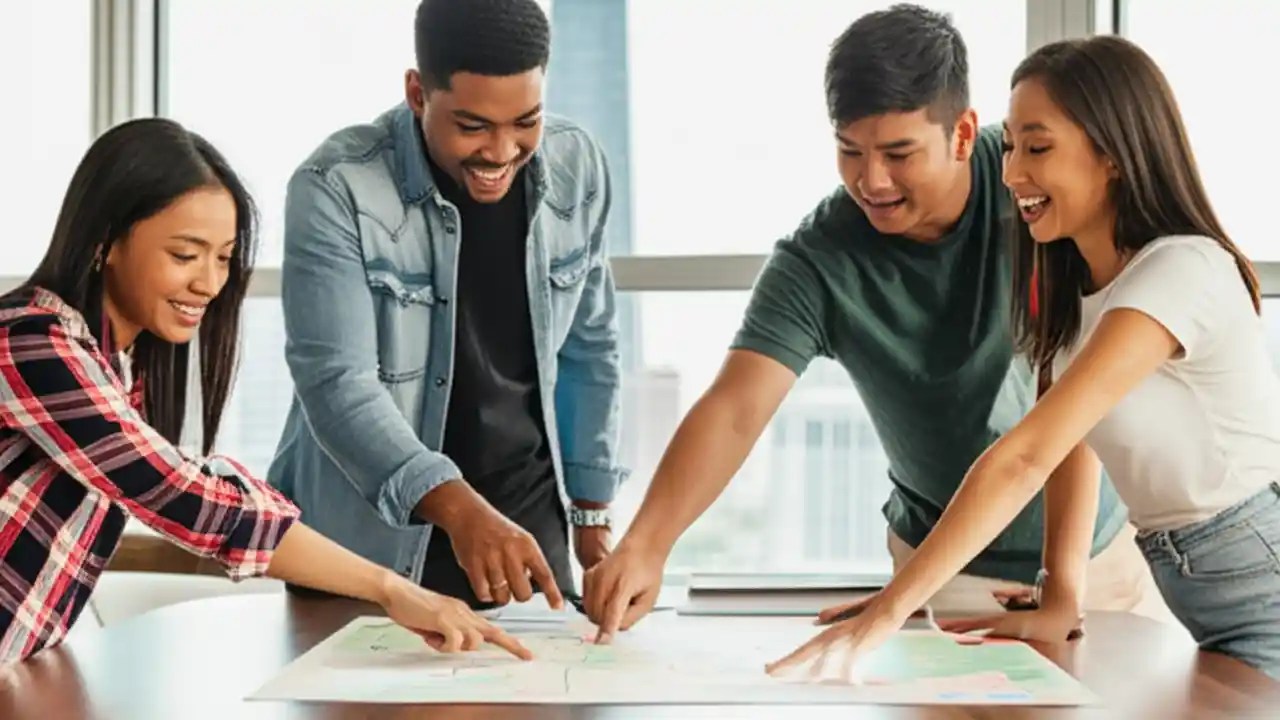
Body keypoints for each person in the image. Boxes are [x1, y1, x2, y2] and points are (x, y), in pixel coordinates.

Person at [582, 4, 1156, 642]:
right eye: (849, 150)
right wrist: (646, 544)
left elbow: (1076, 402)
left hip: (1094, 559)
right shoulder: (819, 258)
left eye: (898, 153)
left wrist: (1063, 581)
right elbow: (735, 407)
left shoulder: (1031, 186)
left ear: (963, 134)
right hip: (939, 571)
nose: (870, 180)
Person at [765, 34, 1280, 683]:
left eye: (1037, 148)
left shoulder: (1179, 271)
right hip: (1210, 589)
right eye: (1010, 147)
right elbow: (1072, 444)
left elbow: (1025, 455)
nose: (1009, 174)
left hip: (1263, 577)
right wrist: (1060, 593)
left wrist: (890, 611)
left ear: (1114, 155)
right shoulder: (1085, 294)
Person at [0, 117, 530, 666]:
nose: (208, 282)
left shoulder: (111, 370)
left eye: (223, 257)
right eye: (185, 255)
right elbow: (181, 493)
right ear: (105, 242)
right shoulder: (34, 346)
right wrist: (393, 589)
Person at [267, 0, 625, 611]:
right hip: (370, 545)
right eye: (473, 126)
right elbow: (336, 384)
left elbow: (590, 348)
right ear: (416, 93)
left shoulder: (578, 164)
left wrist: (591, 513)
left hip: (523, 529)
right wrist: (459, 510)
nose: (502, 151)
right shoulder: (336, 188)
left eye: (526, 120)